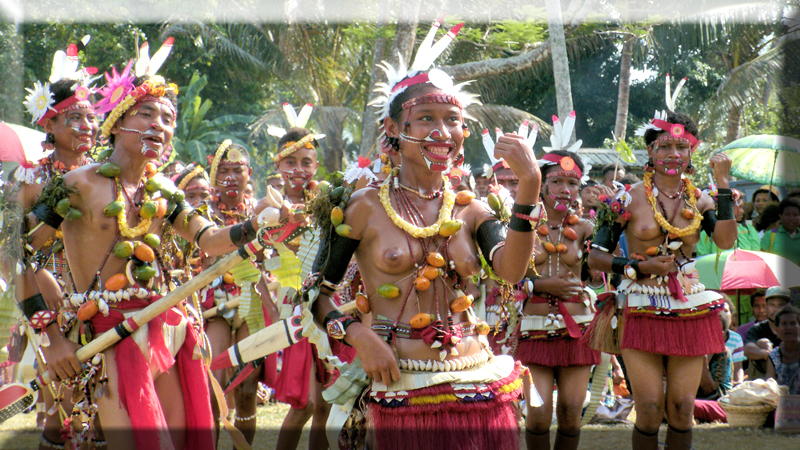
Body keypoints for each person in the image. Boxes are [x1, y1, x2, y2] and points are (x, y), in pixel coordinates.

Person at [17, 52, 276, 450]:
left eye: (168, 119)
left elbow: (208, 239)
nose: (160, 125)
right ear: (118, 121)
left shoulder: (165, 190)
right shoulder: (76, 184)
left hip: (165, 329)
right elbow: (17, 255)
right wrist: (51, 338)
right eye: (147, 114)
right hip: (107, 336)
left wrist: (256, 225)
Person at [306, 19, 541, 449]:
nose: (442, 133)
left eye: (453, 120)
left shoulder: (472, 208)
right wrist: (360, 337)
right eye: (426, 119)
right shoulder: (363, 207)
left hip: (477, 379)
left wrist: (529, 188)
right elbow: (317, 294)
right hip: (400, 382)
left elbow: (509, 272)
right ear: (395, 129)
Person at [585, 107, 737, 450]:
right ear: (650, 151)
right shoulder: (626, 197)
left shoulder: (700, 198)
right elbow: (595, 256)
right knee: (650, 410)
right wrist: (640, 268)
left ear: (691, 152)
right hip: (639, 303)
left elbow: (726, 241)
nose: (673, 154)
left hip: (689, 305)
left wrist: (724, 185)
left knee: (682, 410)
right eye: (664, 146)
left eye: (681, 147)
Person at [518, 139, 600, 450]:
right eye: (556, 182)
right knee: (538, 416)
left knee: (569, 415)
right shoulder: (520, 226)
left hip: (577, 327)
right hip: (533, 328)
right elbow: (501, 276)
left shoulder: (587, 229)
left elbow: (602, 272)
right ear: (541, 185)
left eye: (572, 183)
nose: (565, 189)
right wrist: (539, 286)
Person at [203, 141, 280, 446]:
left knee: (247, 388)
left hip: (253, 300)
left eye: (238, 170)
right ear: (213, 176)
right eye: (223, 171)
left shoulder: (263, 212)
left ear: (249, 173)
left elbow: (274, 259)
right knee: (213, 385)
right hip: (214, 307)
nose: (231, 177)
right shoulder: (199, 216)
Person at [744, 286, 791, 380]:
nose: (776, 309)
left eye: (780, 305)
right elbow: (748, 350)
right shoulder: (757, 329)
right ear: (766, 306)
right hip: (763, 379)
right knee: (763, 342)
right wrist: (771, 355)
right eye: (772, 305)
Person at [696, 188, 760, 255]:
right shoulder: (707, 233)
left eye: (742, 207)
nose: (742, 211)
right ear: (725, 207)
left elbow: (756, 255)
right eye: (739, 207)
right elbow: (703, 259)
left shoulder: (749, 230)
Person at [766, 305, 800, 394]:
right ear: (777, 330)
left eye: (793, 323)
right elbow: (769, 387)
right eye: (784, 323)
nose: (788, 327)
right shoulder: (774, 355)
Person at [761, 197, 800, 265]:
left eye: (795, 215)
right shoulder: (770, 235)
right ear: (780, 216)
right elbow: (763, 262)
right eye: (787, 214)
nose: (791, 218)